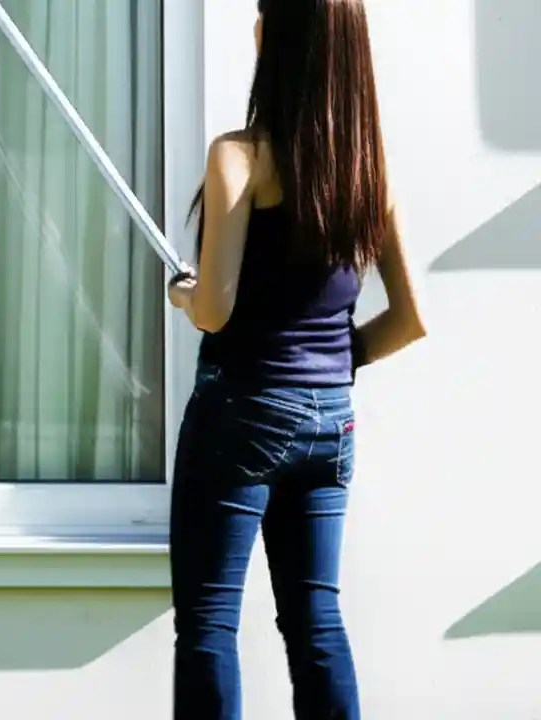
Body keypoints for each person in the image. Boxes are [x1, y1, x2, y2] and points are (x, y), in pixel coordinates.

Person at [165, 1, 426, 718]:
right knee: (316, 623)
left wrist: (181, 293)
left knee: (209, 624)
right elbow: (410, 321)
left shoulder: (240, 157)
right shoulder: (370, 173)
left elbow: (214, 310)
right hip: (331, 426)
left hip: (241, 414)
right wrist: (328, 368)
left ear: (279, 37)